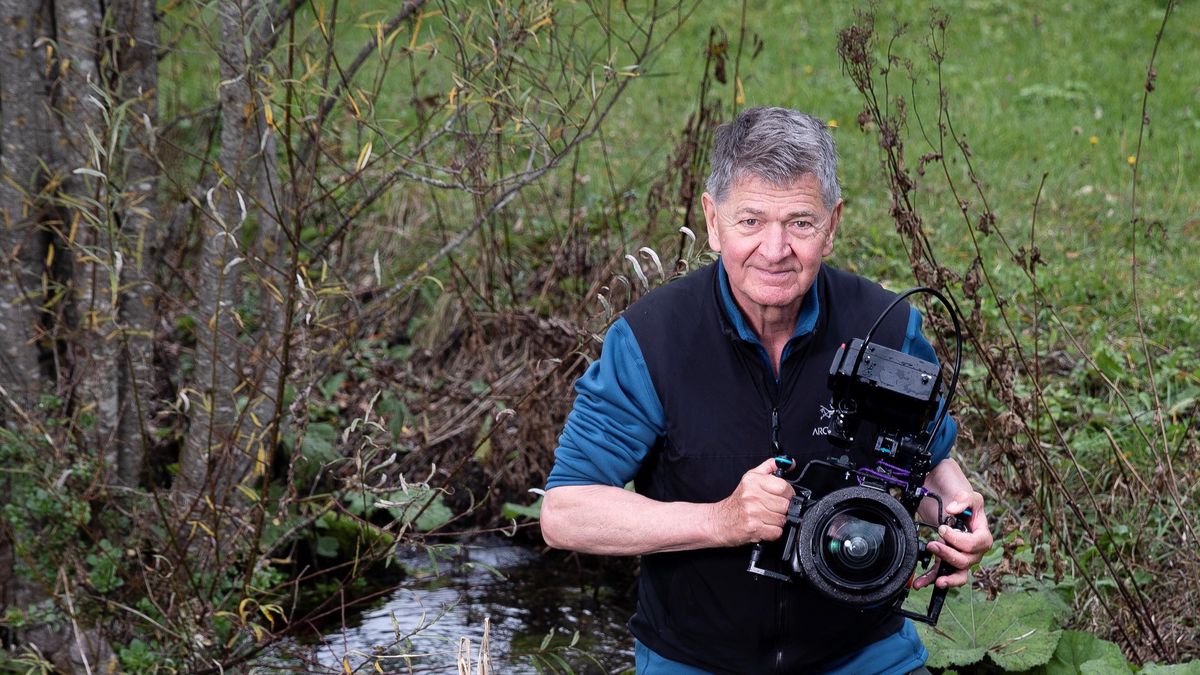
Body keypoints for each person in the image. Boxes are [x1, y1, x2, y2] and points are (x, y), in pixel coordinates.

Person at [540, 107, 993, 674]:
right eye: (750, 221)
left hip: (864, 654)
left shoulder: (887, 325)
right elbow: (565, 512)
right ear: (712, 220)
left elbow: (926, 463)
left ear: (833, 224)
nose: (775, 251)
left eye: (800, 223)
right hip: (694, 659)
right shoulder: (651, 340)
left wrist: (957, 513)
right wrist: (720, 520)